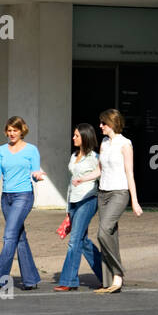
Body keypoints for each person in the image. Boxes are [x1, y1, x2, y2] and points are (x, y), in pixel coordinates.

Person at [0, 116, 45, 291]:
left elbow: (35, 171)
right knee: (19, 237)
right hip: (6, 198)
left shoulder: (31, 150)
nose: (11, 134)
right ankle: (31, 279)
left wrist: (38, 176)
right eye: (9, 130)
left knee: (9, 236)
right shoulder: (1, 150)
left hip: (23, 196)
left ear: (21, 131)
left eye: (15, 130)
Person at [94, 109, 142, 294]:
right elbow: (100, 170)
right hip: (103, 193)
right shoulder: (104, 143)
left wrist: (135, 201)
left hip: (119, 193)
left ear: (112, 124)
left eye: (103, 123)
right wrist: (81, 179)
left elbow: (130, 172)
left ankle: (119, 271)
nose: (100, 126)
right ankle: (111, 281)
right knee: (110, 235)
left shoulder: (125, 144)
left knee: (103, 232)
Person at [54, 123, 103, 291]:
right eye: (74, 135)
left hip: (88, 200)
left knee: (74, 240)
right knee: (83, 241)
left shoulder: (94, 157)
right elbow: (71, 183)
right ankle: (107, 274)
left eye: (76, 135)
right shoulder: (73, 155)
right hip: (74, 201)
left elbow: (101, 174)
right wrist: (68, 209)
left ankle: (68, 281)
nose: (73, 138)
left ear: (85, 137)